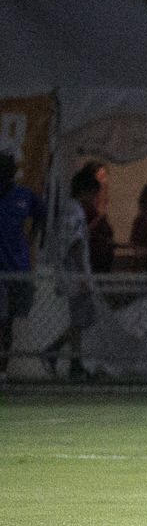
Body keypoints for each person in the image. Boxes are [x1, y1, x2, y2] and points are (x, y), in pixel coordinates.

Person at [44, 167, 98, 380]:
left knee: (79, 321)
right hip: (75, 275)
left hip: (70, 274)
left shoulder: (69, 209)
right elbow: (75, 244)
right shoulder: (75, 211)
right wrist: (84, 277)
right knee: (81, 320)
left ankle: (75, 363)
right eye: (94, 193)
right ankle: (57, 352)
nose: (95, 199)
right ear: (85, 191)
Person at [0, 151, 45, 381]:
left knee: (8, 323)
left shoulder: (23, 196)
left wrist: (32, 238)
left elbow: (42, 213)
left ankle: (3, 370)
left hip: (17, 270)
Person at [77, 161, 115, 272]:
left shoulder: (101, 207)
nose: (105, 181)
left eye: (106, 177)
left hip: (104, 265)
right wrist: (99, 216)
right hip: (88, 265)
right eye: (102, 177)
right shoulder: (84, 207)